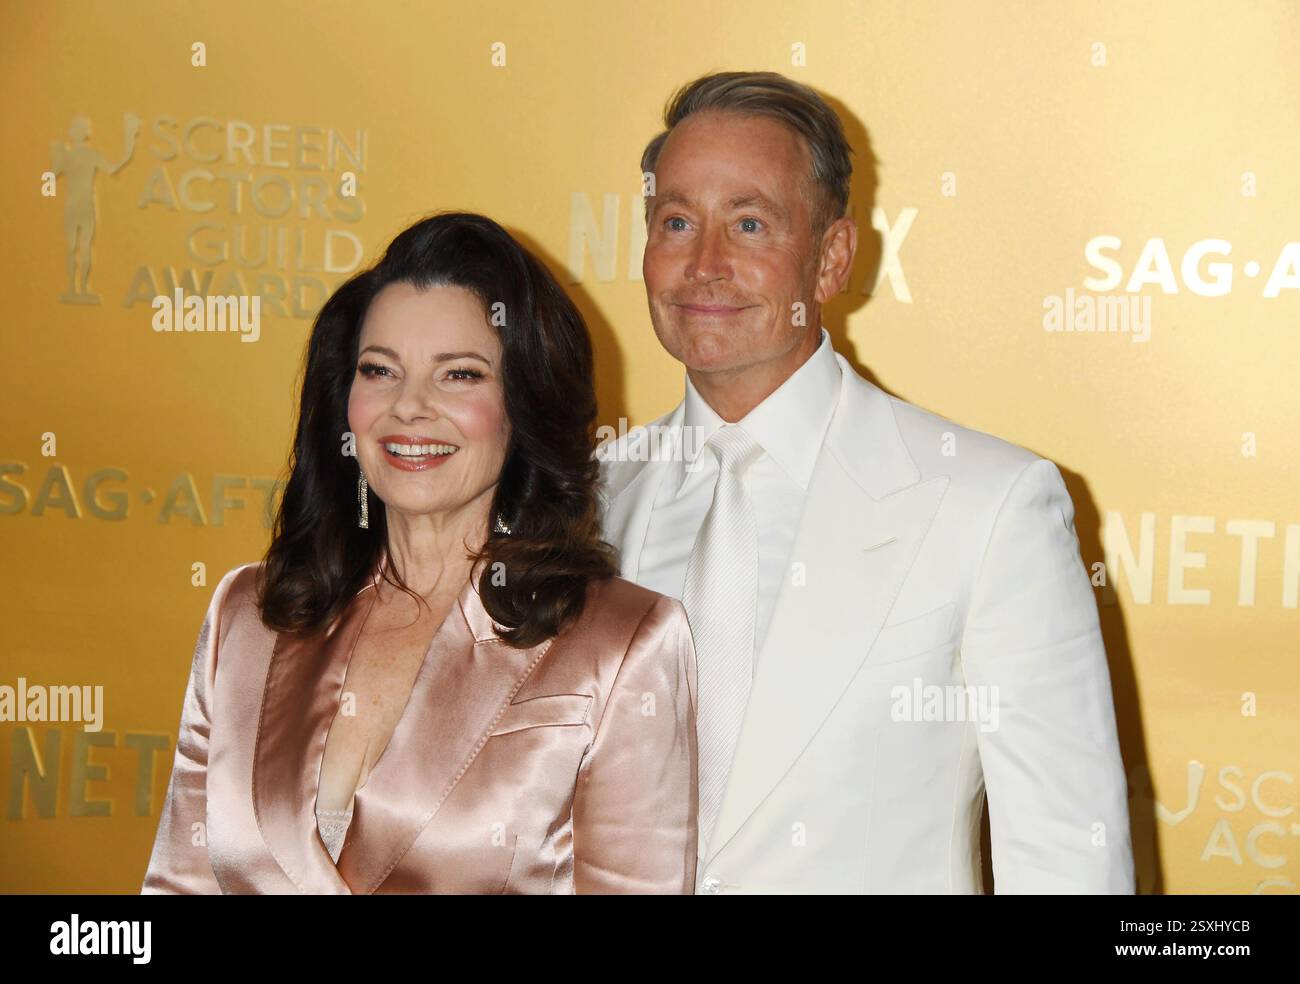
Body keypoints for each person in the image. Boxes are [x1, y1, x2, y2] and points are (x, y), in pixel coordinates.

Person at [599, 71, 1134, 893]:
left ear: (831, 258)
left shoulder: (989, 506)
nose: (704, 265)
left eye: (749, 223)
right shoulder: (585, 499)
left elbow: (1069, 854)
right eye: (676, 221)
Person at [143, 212, 698, 894]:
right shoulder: (248, 615)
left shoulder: (622, 644)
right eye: (380, 370)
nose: (409, 408)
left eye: (459, 376)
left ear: (522, 403)